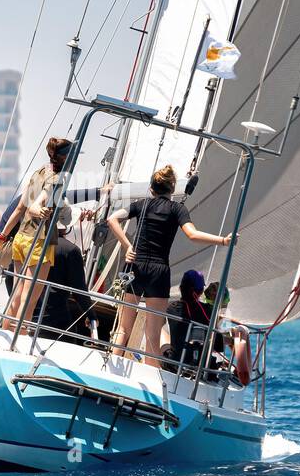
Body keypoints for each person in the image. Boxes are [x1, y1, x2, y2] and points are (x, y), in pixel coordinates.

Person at [106, 165, 231, 368]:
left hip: (135, 266)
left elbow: (111, 219)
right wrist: (223, 241)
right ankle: (152, 375)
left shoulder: (141, 204)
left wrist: (127, 246)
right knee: (153, 334)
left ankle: (109, 367)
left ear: (151, 188)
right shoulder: (177, 209)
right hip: (158, 271)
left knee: (123, 328)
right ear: (172, 189)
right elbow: (193, 234)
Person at [0, 137, 73, 332]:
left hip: (21, 237)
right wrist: (41, 210)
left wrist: (0, 239)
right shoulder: (58, 179)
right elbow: (36, 206)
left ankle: (5, 332)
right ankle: (17, 339)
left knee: (18, 293)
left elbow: (20, 208)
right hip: (40, 240)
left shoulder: (39, 172)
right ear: (64, 158)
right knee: (30, 297)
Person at [37, 216, 95, 344]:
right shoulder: (70, 250)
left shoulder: (33, 243)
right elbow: (79, 290)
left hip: (28, 314)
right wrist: (91, 315)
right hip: (54, 318)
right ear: (67, 227)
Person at [202, 282, 251, 386]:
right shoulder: (220, 314)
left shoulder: (201, 310)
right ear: (225, 301)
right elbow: (222, 339)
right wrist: (236, 339)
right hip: (209, 361)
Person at [161, 269, 210, 373]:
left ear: (180, 288)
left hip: (175, 364)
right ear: (201, 291)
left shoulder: (171, 308)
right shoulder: (208, 311)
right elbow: (218, 346)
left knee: (162, 331)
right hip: (200, 367)